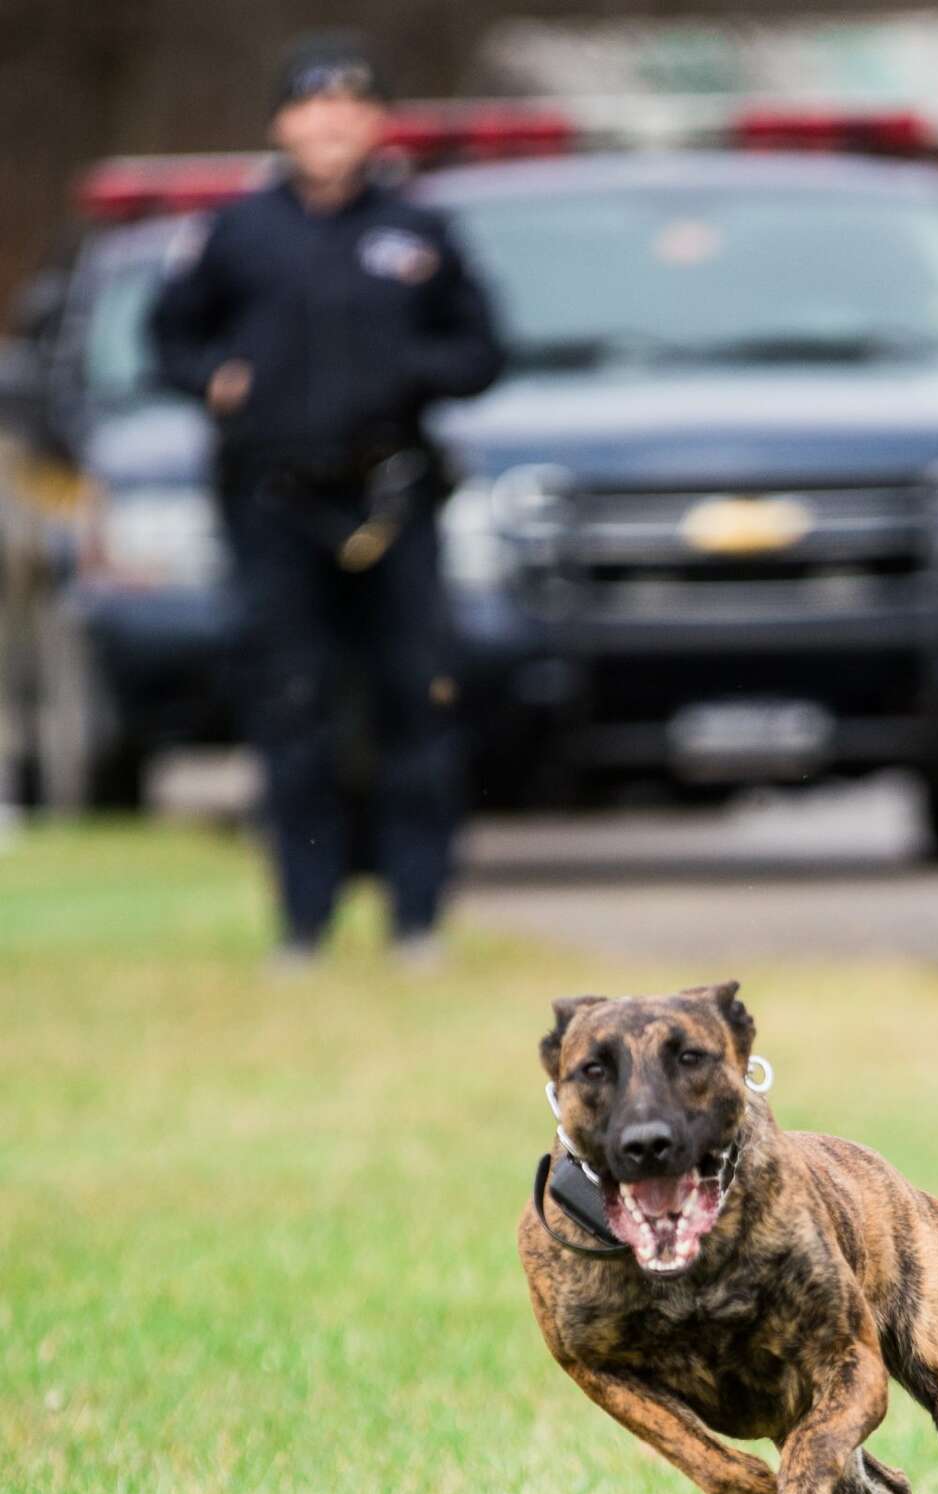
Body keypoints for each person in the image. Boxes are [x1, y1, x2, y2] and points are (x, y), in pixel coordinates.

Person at [150, 32, 504, 965]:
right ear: (282, 123)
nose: (331, 124)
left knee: (416, 702)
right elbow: (169, 342)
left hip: (393, 504)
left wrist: (405, 370)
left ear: (379, 123)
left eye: (350, 106)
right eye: (312, 106)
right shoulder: (234, 233)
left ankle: (417, 921)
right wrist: (216, 378)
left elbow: (481, 352)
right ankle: (303, 925)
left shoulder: (421, 234)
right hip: (275, 507)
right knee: (292, 706)